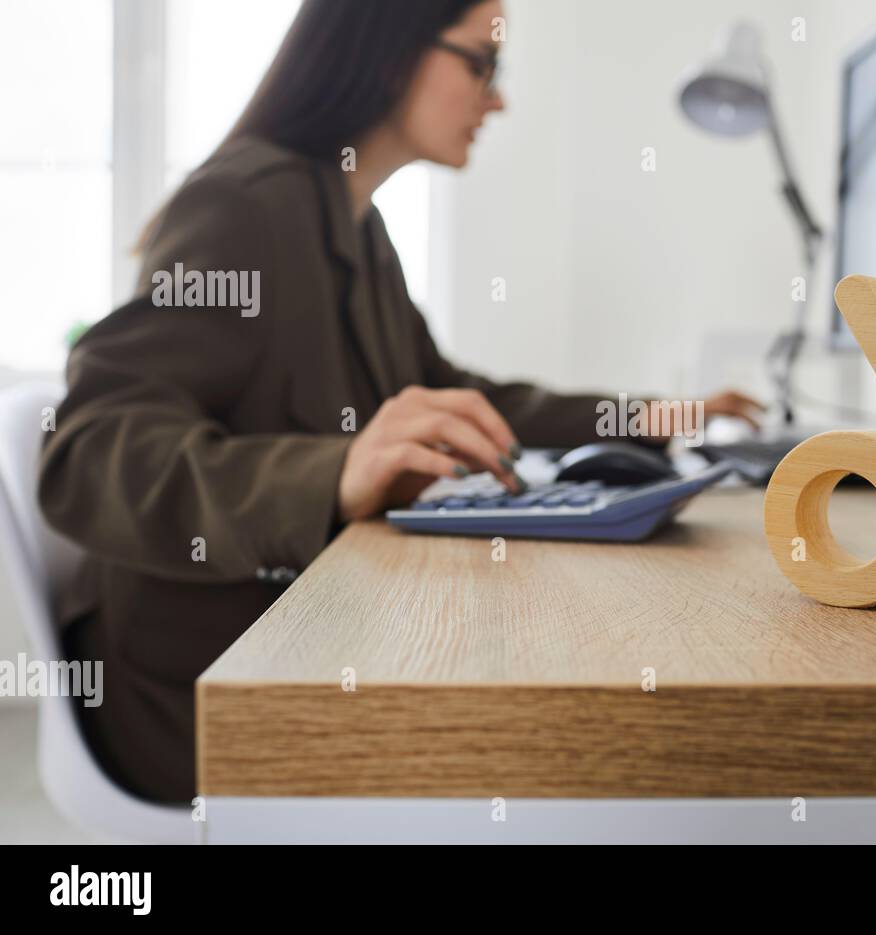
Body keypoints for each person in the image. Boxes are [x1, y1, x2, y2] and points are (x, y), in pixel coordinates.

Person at [38, 0, 762, 803]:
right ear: (388, 51)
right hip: (200, 695)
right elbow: (88, 452)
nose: (499, 98)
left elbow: (458, 398)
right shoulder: (244, 207)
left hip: (304, 643)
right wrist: (334, 472)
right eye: (481, 63)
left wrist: (646, 417)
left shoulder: (355, 223)